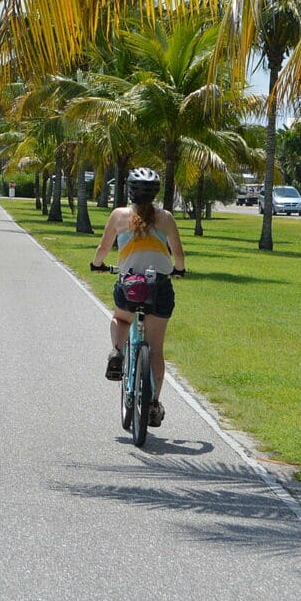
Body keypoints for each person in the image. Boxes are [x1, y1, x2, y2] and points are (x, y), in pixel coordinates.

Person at [88, 167, 186, 427]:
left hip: (129, 285)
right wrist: (179, 270)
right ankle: (153, 403)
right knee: (156, 349)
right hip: (159, 287)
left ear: (130, 190)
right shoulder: (165, 218)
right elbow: (178, 253)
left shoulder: (119, 215)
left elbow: (104, 247)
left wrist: (97, 264)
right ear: (155, 193)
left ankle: (117, 351)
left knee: (121, 319)